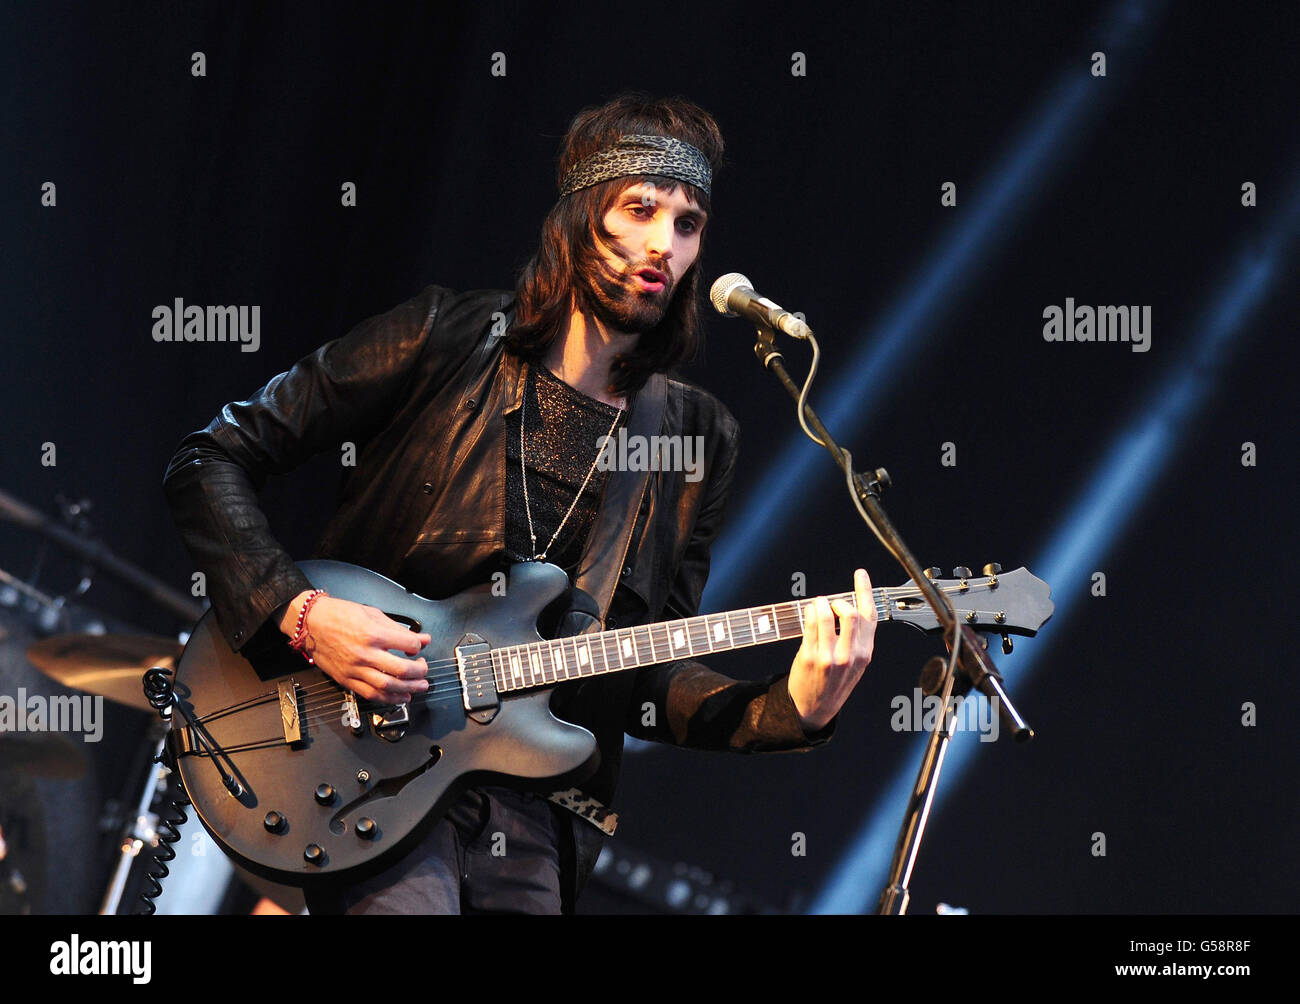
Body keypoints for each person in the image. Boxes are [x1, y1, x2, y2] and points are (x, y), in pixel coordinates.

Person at [163, 93, 876, 914]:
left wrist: (792, 708)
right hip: (356, 757)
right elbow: (207, 458)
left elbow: (639, 676)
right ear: (579, 219)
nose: (663, 246)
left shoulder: (696, 436)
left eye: (687, 225)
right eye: (639, 209)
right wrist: (300, 612)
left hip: (530, 814)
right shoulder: (444, 339)